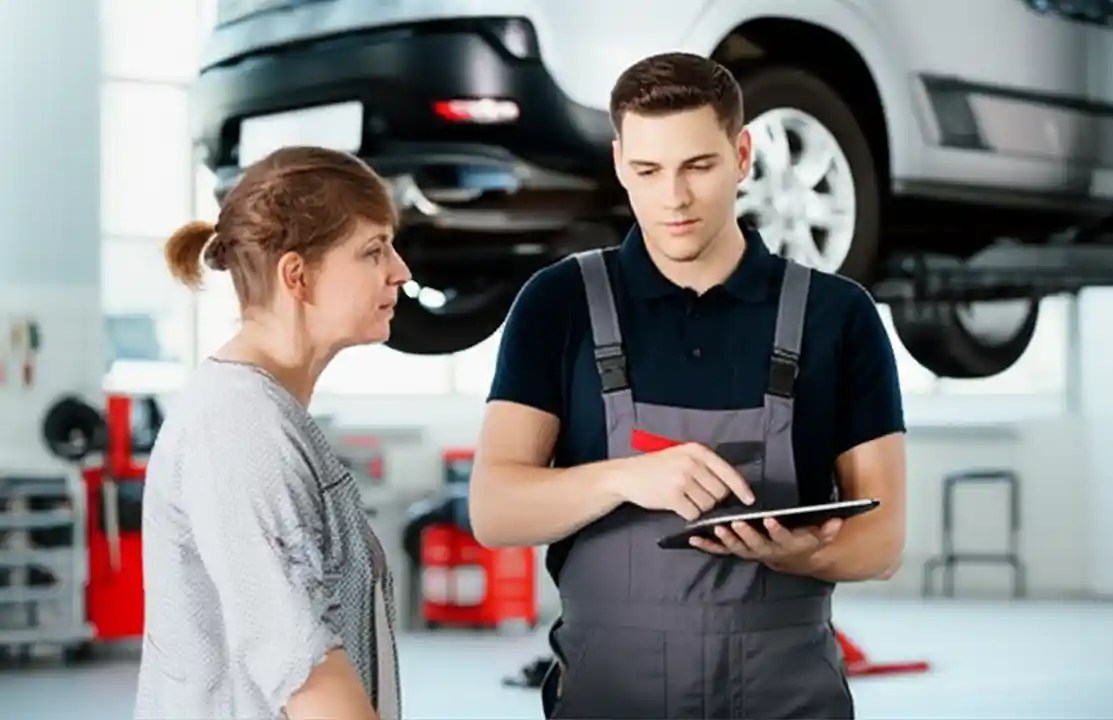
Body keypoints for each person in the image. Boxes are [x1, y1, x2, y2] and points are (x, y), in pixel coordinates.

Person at [470, 51, 907, 720]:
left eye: (699, 167)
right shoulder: (558, 305)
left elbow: (884, 541)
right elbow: (495, 511)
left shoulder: (837, 316)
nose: (673, 198)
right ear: (619, 163)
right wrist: (622, 479)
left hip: (789, 702)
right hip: (610, 701)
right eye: (648, 171)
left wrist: (806, 555)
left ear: (741, 154)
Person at [134, 146, 411, 720]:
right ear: (297, 275)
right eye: (373, 250)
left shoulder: (266, 412)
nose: (400, 271)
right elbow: (300, 665)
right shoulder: (239, 428)